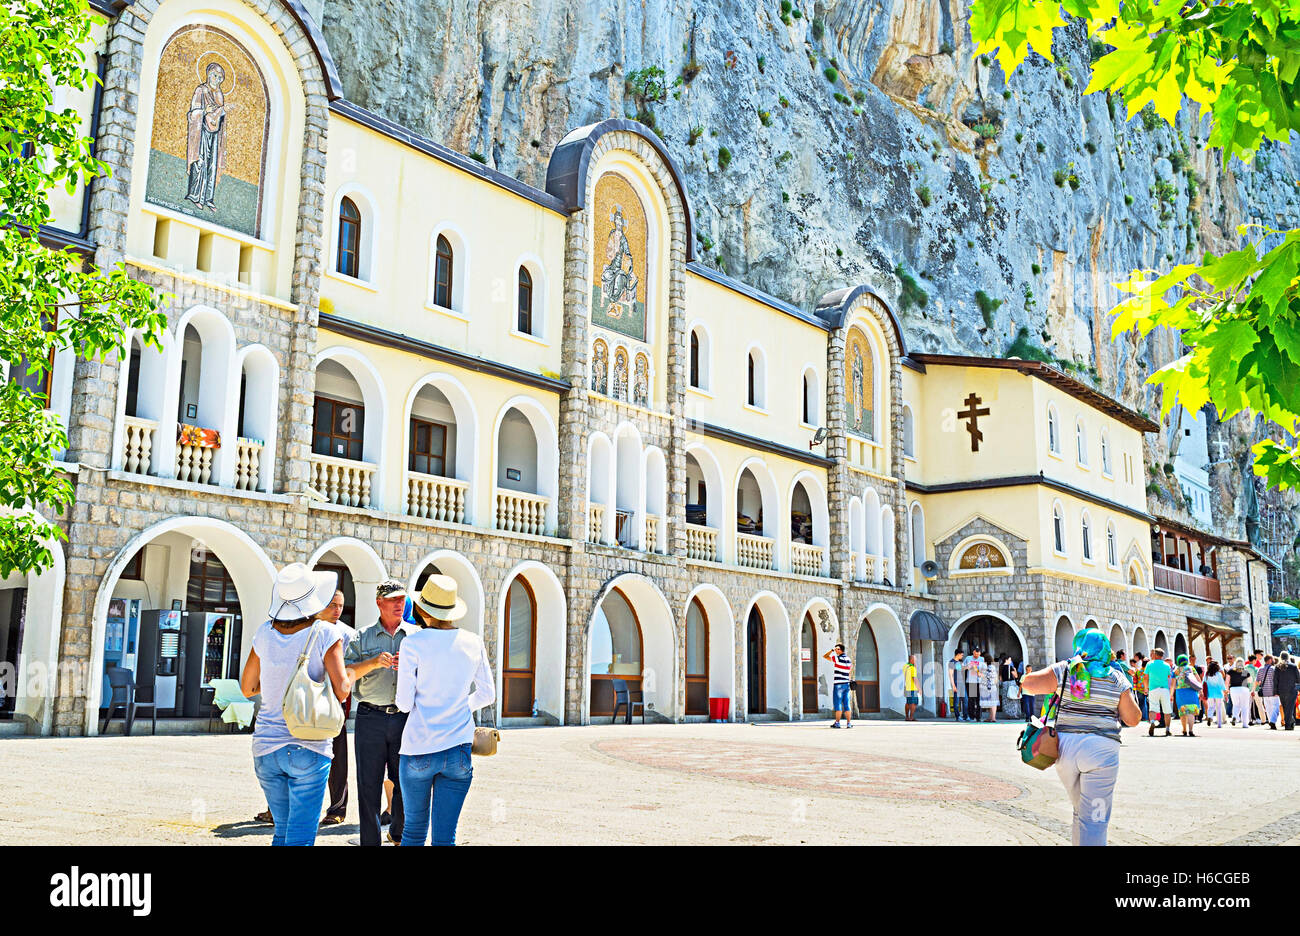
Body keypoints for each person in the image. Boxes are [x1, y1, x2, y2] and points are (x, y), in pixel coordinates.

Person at [239, 564, 352, 846]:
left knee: (283, 832)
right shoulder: (325, 632)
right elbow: (341, 690)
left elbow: (248, 687)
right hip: (309, 746)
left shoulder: (264, 632)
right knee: (300, 837)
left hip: (266, 747)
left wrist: (279, 680)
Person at [396, 575, 495, 846]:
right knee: (445, 838)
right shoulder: (473, 642)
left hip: (418, 748)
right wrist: (461, 705)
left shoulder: (412, 644)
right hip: (458, 750)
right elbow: (488, 694)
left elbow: (404, 704)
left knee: (413, 833)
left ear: (423, 609)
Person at [1019, 629, 1140, 846]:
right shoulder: (1116, 677)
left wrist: (1059, 671)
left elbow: (1027, 684)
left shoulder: (1066, 669)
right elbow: (1133, 719)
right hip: (1102, 752)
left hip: (1066, 749)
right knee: (1095, 818)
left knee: (1081, 810)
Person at [345, 580, 420, 846]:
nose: (400, 604)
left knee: (406, 782)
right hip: (370, 718)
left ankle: (398, 833)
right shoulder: (361, 637)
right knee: (369, 785)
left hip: (404, 718)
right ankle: (370, 842)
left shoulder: (416, 636)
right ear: (379, 602)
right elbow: (346, 674)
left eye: (402, 599)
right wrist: (374, 662)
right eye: (393, 600)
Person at [1144, 648, 1173, 737]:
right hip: (1164, 689)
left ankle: (1152, 722)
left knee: (1152, 708)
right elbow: (1168, 677)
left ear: (1156, 655)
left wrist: (1146, 688)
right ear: (1162, 655)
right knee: (1167, 710)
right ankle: (1167, 729)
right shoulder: (1167, 665)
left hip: (1153, 689)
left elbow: (1146, 677)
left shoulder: (1149, 664)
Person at [1172, 654, 1202, 737]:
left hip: (1180, 692)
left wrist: (1171, 695)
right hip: (1191, 691)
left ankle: (1184, 729)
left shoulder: (1176, 671)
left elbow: (1173, 685)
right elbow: (1198, 680)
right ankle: (1191, 730)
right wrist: (1201, 691)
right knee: (1191, 712)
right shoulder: (1191, 668)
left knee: (1183, 711)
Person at [824, 643, 853, 728]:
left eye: (837, 649)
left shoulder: (837, 658)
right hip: (846, 684)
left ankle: (837, 723)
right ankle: (848, 723)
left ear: (840, 650)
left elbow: (825, 656)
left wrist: (831, 651)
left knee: (838, 704)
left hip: (838, 685)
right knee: (847, 704)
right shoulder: (849, 659)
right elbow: (849, 671)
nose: (835, 650)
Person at [1275, 652, 1298, 731]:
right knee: (1290, 708)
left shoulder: (1277, 667)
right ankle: (1288, 725)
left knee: (1285, 708)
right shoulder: (1294, 666)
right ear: (1288, 657)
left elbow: (1275, 680)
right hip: (1292, 690)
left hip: (1281, 690)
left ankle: (1290, 722)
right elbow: (1298, 679)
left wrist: (1275, 692)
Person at [1257, 654, 1279, 729]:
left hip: (1265, 693)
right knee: (1276, 707)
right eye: (1273, 659)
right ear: (1270, 660)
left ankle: (1271, 722)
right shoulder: (1273, 669)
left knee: (1268, 708)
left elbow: (1258, 681)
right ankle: (1272, 721)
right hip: (1273, 692)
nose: (1274, 661)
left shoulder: (1260, 669)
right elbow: (1277, 680)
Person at [1228, 659, 1251, 728]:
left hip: (1233, 689)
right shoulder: (1245, 671)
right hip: (1244, 689)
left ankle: (1235, 717)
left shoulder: (1231, 671)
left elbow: (1227, 681)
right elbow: (1250, 681)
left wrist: (1226, 690)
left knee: (1235, 705)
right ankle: (1245, 724)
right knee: (1244, 707)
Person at [1204, 661, 1226, 728]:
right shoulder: (1218, 674)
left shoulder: (1206, 674)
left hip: (1210, 693)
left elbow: (1204, 682)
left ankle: (1210, 716)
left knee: (1211, 707)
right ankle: (1219, 724)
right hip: (1218, 692)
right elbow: (1221, 683)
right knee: (1218, 708)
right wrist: (1224, 690)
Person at [979, 650, 999, 722]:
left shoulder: (990, 667)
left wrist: (980, 674)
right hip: (990, 686)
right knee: (990, 702)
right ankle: (990, 717)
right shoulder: (991, 666)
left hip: (990, 687)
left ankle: (993, 717)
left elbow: (988, 676)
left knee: (993, 702)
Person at [949, 649, 967, 722]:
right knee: (956, 701)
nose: (962, 656)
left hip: (961, 683)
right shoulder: (951, 662)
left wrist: (968, 667)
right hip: (956, 683)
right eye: (962, 655)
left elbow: (961, 670)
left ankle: (965, 716)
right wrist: (953, 685)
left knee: (965, 700)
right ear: (958, 654)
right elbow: (950, 674)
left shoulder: (958, 662)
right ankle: (958, 716)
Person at [998, 654, 1019, 719]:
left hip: (1004, 684)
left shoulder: (1000, 667)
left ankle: (1007, 715)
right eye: (1010, 659)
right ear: (1006, 660)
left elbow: (1000, 678)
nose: (1011, 661)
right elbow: (1016, 676)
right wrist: (1015, 670)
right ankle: (1014, 714)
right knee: (1013, 699)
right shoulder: (1011, 667)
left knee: (1005, 699)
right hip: (1011, 684)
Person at [965, 648, 983, 722]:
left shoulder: (982, 659)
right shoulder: (968, 658)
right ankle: (971, 716)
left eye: (978, 655)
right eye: (975, 654)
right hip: (971, 681)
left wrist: (980, 673)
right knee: (972, 700)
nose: (977, 656)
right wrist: (968, 667)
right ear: (973, 652)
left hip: (979, 681)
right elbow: (962, 667)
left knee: (979, 700)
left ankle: (978, 717)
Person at [904, 654, 921, 721]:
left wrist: (914, 666)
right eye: (915, 659)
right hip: (912, 688)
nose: (916, 660)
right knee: (913, 703)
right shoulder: (912, 668)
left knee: (908, 702)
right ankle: (911, 717)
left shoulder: (905, 666)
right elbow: (914, 678)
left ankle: (907, 717)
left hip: (906, 687)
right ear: (912, 660)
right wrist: (919, 688)